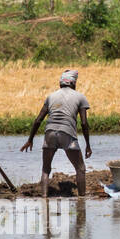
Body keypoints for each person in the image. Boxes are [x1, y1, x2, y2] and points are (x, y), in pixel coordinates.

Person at [20, 69, 92, 197]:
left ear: (61, 84)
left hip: (50, 133)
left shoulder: (51, 97)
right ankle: (82, 200)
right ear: (73, 84)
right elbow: (84, 123)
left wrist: (30, 140)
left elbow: (38, 120)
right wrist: (88, 145)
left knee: (45, 169)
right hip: (67, 134)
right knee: (80, 168)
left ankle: (44, 198)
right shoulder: (80, 97)